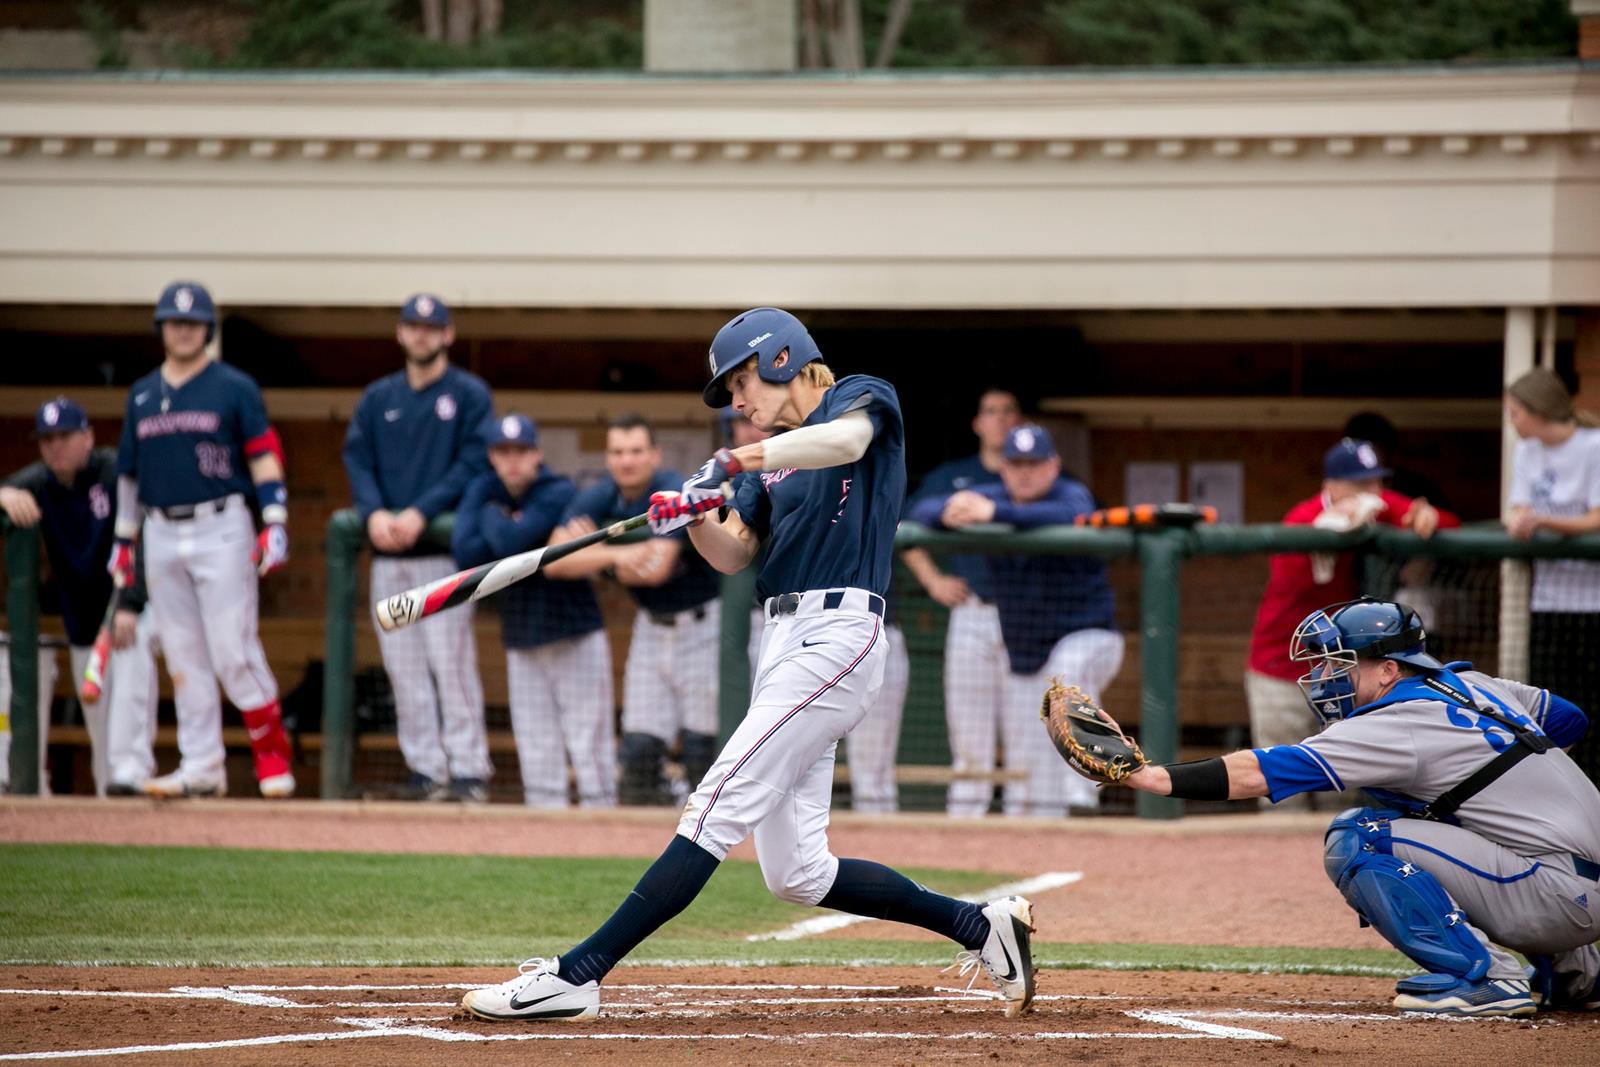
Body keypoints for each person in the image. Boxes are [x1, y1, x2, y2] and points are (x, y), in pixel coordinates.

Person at [461, 306, 1037, 1023]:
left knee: (715, 804)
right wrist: (695, 514)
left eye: (740, 382)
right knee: (797, 873)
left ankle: (578, 974)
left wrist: (734, 462)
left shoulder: (859, 398)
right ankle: (981, 927)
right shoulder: (767, 463)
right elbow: (735, 553)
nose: (737, 402)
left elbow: (845, 441)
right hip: (781, 640)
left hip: (839, 633)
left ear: (780, 357)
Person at [1109, 597, 1598, 1017]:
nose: (1325, 677)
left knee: (1359, 836)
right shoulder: (1477, 685)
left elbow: (1259, 773)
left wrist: (1152, 777)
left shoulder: (1393, 721)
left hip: (1556, 898)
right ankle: (1579, 975)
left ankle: (1487, 979)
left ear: (1389, 669)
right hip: (1572, 890)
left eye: (1340, 664)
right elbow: (1569, 720)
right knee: (1463, 820)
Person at [111, 282, 294, 798]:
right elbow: (129, 474)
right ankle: (202, 765)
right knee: (182, 653)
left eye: (193, 322)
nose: (184, 330)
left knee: (232, 648)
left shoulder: (234, 386)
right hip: (160, 528)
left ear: (208, 329)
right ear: (162, 328)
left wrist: (275, 519)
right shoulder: (142, 393)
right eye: (175, 322)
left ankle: (271, 753)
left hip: (221, 524)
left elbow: (263, 454)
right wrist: (124, 539)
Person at [908, 423, 1122, 817]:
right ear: (1003, 468)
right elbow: (921, 512)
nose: (1025, 473)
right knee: (1030, 750)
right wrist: (951, 509)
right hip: (1029, 649)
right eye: (1017, 464)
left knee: (1068, 672)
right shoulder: (993, 494)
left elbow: (1074, 513)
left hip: (1089, 635)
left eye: (1034, 464)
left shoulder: (1068, 493)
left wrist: (993, 512)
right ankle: (1041, 827)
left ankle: (1081, 796)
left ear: (1053, 465)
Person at [1245, 437, 1458, 807]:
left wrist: (1426, 517)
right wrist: (1330, 532)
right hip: (1283, 667)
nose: (1372, 491)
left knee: (1340, 792)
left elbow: (1448, 523)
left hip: (1348, 675)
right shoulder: (1304, 518)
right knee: (1281, 793)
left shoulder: (1379, 506)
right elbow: (1293, 581)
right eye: (1360, 484)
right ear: (1331, 486)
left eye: (1376, 481)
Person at [343, 293, 493, 803]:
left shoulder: (468, 393)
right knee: (403, 669)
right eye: (413, 326)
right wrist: (374, 513)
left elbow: (473, 463)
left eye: (431, 327)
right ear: (400, 333)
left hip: (443, 553)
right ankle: (426, 769)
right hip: (390, 556)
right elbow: (357, 459)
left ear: (448, 334)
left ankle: (468, 770)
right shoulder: (378, 397)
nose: (422, 334)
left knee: (450, 665)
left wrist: (419, 512)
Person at [543, 414, 722, 805]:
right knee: (638, 755)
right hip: (650, 630)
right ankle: (655, 825)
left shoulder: (671, 486)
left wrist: (594, 554)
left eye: (636, 451)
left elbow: (655, 569)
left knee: (702, 751)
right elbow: (555, 559)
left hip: (702, 626)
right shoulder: (603, 494)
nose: (627, 461)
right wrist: (619, 555)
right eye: (618, 452)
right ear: (608, 458)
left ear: (654, 454)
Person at [452, 414, 616, 809]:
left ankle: (603, 825)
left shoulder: (557, 490)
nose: (512, 460)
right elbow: (463, 551)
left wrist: (492, 518)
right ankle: (546, 833)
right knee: (536, 745)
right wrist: (501, 518)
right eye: (503, 452)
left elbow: (512, 542)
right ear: (492, 456)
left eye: (521, 451)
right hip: (522, 638)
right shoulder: (484, 487)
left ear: (537, 454)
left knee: (589, 744)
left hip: (575, 634)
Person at [0, 398, 159, 795]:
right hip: (83, 624)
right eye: (47, 439)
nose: (56, 446)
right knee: (100, 728)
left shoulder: (113, 471)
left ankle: (134, 775)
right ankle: (114, 802)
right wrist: (2, 495)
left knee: (129, 703)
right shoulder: (41, 482)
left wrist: (130, 604)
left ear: (87, 437)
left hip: (129, 612)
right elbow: (8, 488)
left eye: (65, 436)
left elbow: (147, 533)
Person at [902, 388, 1020, 816]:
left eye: (1008, 412)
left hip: (1027, 618)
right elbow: (905, 526)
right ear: (977, 424)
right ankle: (965, 826)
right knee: (969, 734)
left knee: (1028, 732)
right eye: (991, 411)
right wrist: (933, 580)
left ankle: (1033, 825)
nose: (1000, 419)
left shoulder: (1036, 477)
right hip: (973, 611)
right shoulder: (953, 476)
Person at [1505, 368, 1600, 779]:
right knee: (1549, 701)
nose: (1513, 422)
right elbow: (1519, 508)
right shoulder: (1527, 452)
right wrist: (1521, 521)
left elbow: (1595, 517)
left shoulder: (1593, 446)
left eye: (1516, 413)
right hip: (1547, 599)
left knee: (1591, 700)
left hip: (1592, 600)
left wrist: (1543, 521)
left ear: (1538, 409)